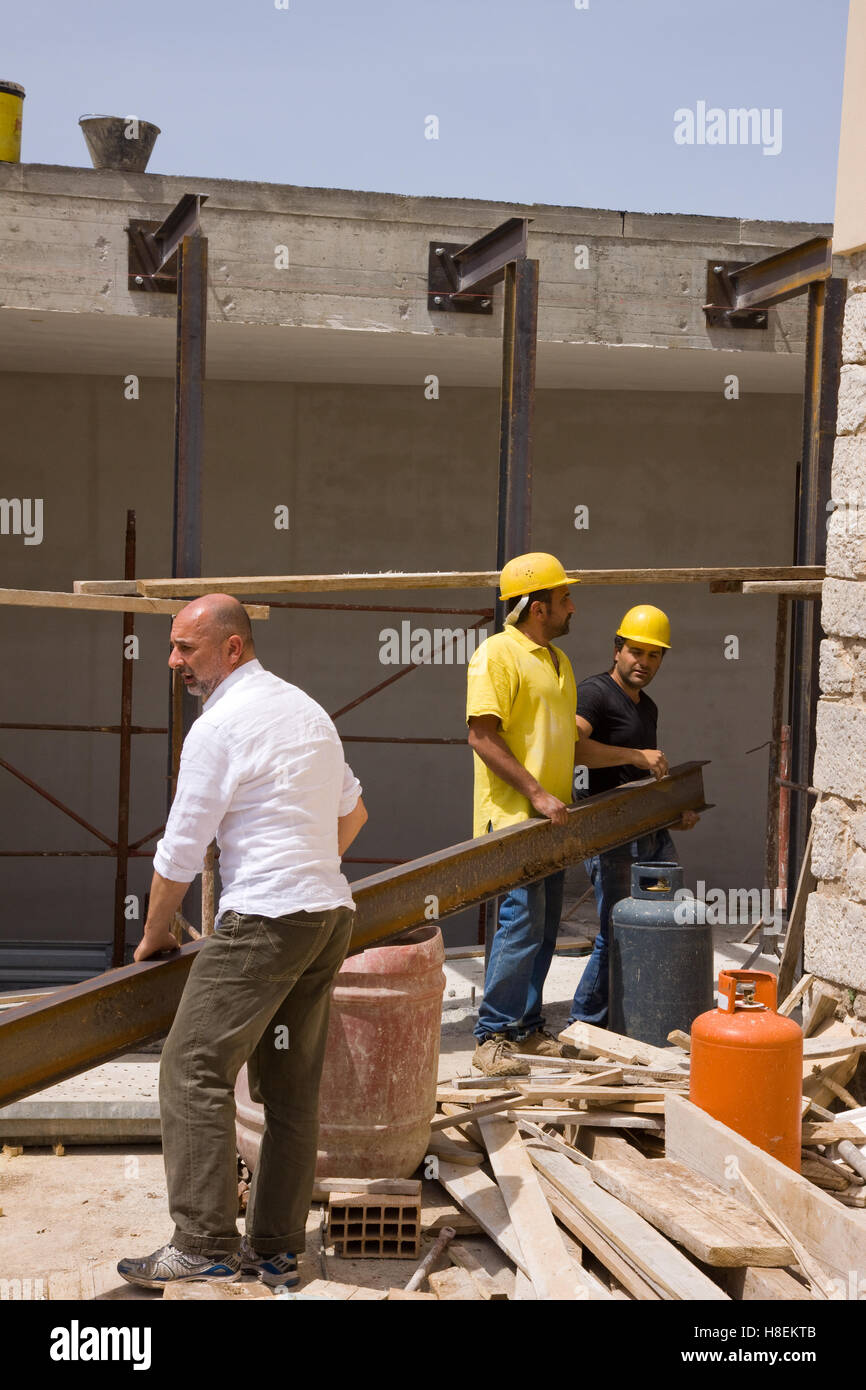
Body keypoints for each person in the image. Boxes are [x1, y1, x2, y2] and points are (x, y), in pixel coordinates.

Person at [118, 593, 368, 1290]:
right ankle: (280, 1247)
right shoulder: (305, 710)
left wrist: (154, 935)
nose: (174, 663)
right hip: (326, 916)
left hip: (267, 921)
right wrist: (308, 868)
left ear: (232, 648)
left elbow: (180, 849)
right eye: (170, 648)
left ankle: (202, 1241)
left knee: (191, 1067)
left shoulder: (219, 726)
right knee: (289, 1091)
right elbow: (355, 813)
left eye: (186, 649)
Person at [467, 552, 579, 1077]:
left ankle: (527, 1028)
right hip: (514, 821)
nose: (571, 606)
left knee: (544, 929)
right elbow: (481, 736)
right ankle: (492, 1035)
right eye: (563, 599)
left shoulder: (559, 662)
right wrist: (535, 793)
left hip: (552, 823)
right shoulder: (497, 655)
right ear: (537, 607)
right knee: (519, 926)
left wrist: (634, 757)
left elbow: (566, 745)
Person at [568, 604, 699, 1028]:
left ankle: (639, 1012)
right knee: (616, 930)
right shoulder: (595, 694)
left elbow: (639, 775)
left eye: (653, 655)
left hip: (650, 832)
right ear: (617, 650)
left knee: (663, 921)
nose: (643, 662)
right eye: (635, 651)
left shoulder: (648, 708)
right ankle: (585, 1024)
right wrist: (635, 755)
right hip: (610, 833)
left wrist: (671, 813)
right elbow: (571, 748)